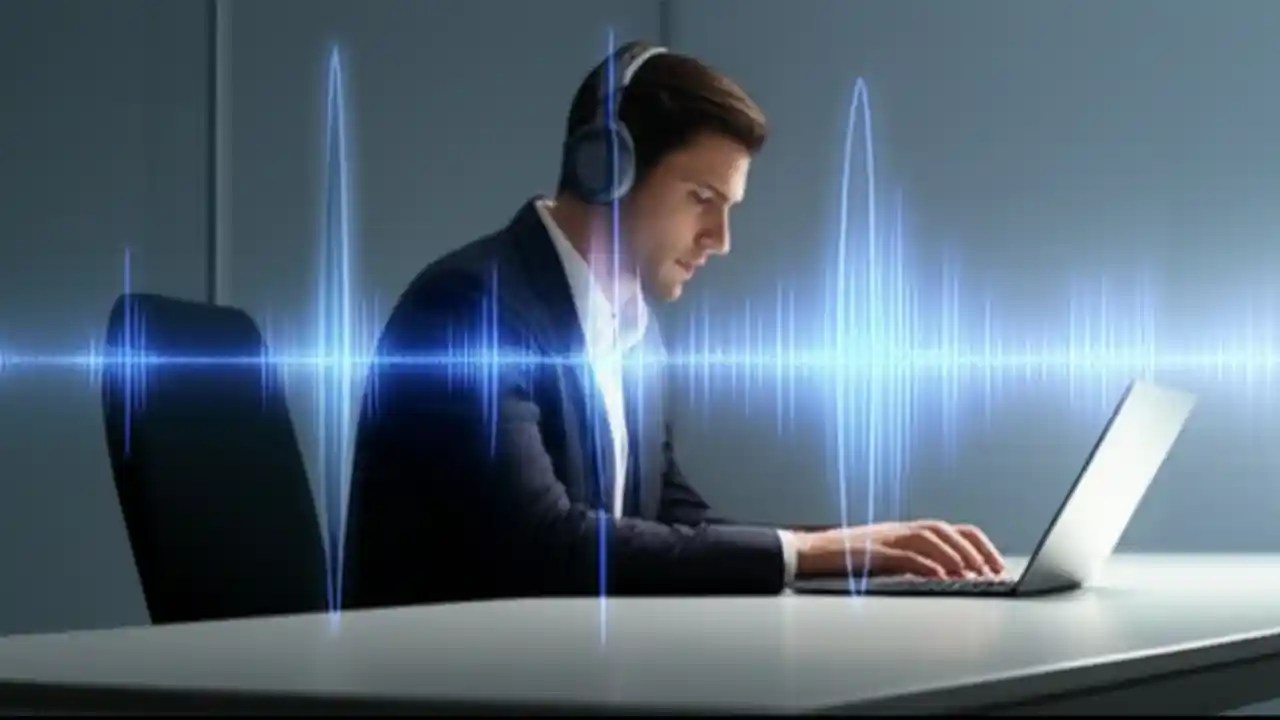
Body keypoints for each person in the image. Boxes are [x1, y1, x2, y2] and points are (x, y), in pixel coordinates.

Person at [340, 41, 1006, 609]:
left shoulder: (632, 331)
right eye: (702, 200)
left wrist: (854, 548)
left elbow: (665, 519)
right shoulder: (469, 309)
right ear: (608, 170)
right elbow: (541, 543)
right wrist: (802, 553)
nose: (720, 239)